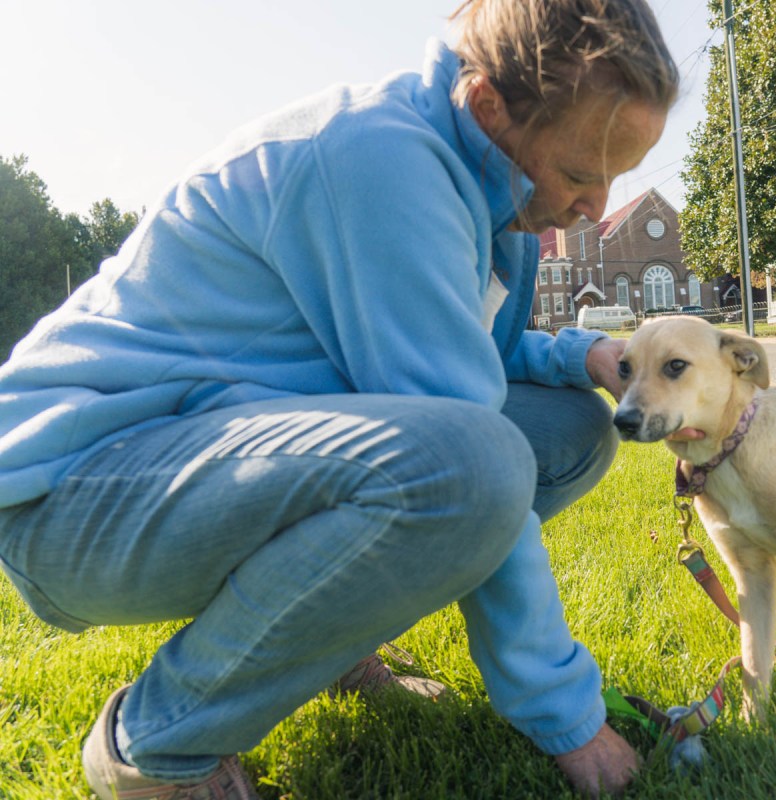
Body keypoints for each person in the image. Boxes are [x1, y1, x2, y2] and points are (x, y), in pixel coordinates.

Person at [0, 0, 677, 796]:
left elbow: (469, 357)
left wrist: (582, 354)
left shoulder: (484, 187)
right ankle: (153, 744)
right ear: (491, 105)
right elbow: (462, 438)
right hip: (74, 491)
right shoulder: (383, 161)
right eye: (579, 174)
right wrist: (572, 720)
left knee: (565, 431)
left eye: (615, 181)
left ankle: (327, 643)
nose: (596, 210)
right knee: (479, 464)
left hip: (197, 455)